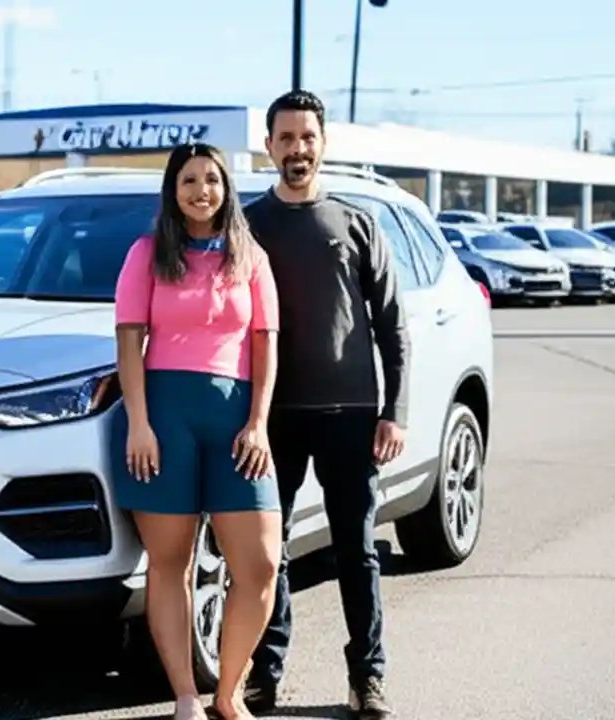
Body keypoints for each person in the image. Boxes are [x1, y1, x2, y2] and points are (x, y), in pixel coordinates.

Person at [242, 90, 411, 719]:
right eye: (285, 139)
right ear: (270, 146)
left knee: (356, 550)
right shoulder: (249, 226)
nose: (296, 149)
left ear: (322, 142)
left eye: (306, 137)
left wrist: (394, 409)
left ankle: (368, 677)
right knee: (266, 550)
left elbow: (392, 325)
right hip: (271, 417)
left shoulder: (357, 221)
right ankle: (263, 673)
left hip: (349, 413)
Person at [110, 141, 283, 720]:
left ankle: (228, 692)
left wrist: (258, 423)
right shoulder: (146, 254)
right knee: (170, 563)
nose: (201, 190)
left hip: (236, 421)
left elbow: (265, 343)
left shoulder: (249, 257)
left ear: (226, 187)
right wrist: (139, 424)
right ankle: (185, 693)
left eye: (212, 179)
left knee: (259, 562)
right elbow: (129, 343)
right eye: (189, 180)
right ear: (173, 190)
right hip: (165, 418)